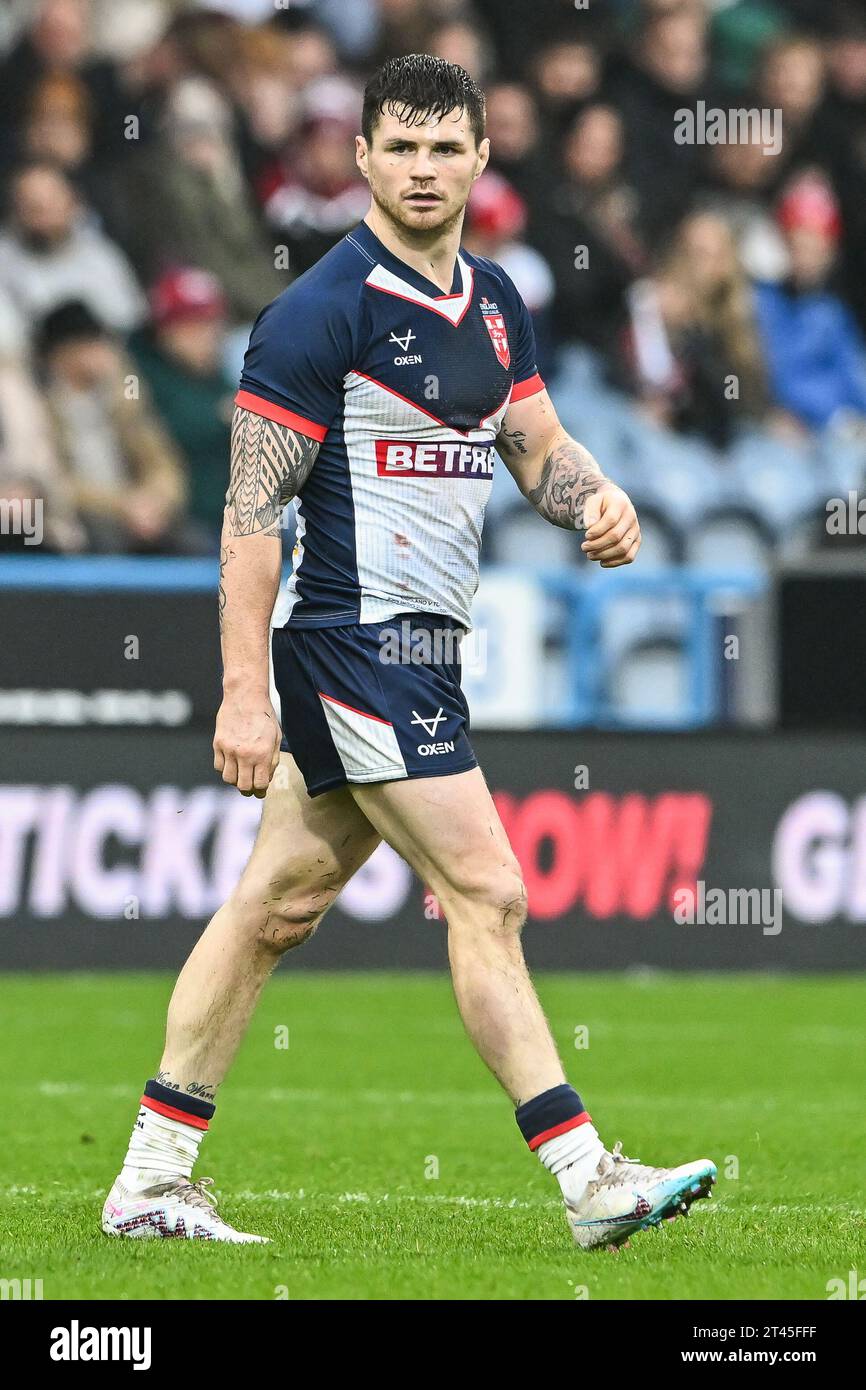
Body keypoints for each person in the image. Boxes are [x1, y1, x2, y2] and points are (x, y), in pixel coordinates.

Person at [101, 54, 715, 1251]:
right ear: (362, 158)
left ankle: (150, 1178)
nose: (424, 168)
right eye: (403, 146)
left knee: (273, 906)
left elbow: (533, 446)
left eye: (448, 147)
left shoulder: (492, 302)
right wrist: (241, 694)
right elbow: (249, 514)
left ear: (482, 157)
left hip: (425, 651)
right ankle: (588, 1178)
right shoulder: (318, 312)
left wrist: (596, 499)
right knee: (486, 890)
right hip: (350, 646)